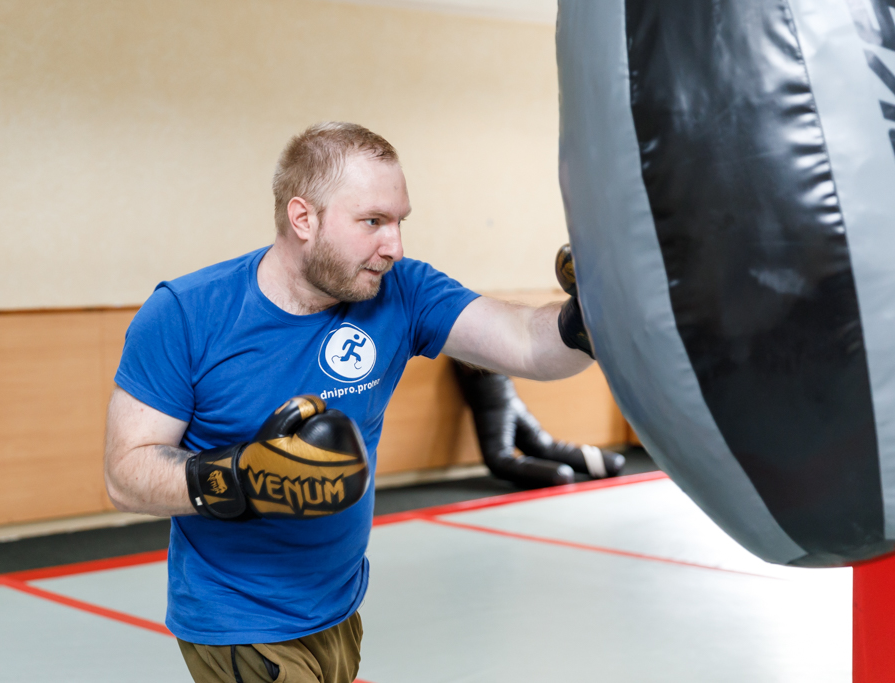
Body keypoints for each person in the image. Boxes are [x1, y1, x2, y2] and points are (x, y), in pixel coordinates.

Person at [103, 122, 595, 683]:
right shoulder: (187, 313)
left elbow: (529, 343)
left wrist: (591, 318)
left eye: (399, 221)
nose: (395, 246)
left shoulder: (401, 292)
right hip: (241, 622)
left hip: (338, 608)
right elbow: (126, 473)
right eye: (373, 223)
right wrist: (243, 478)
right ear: (303, 218)